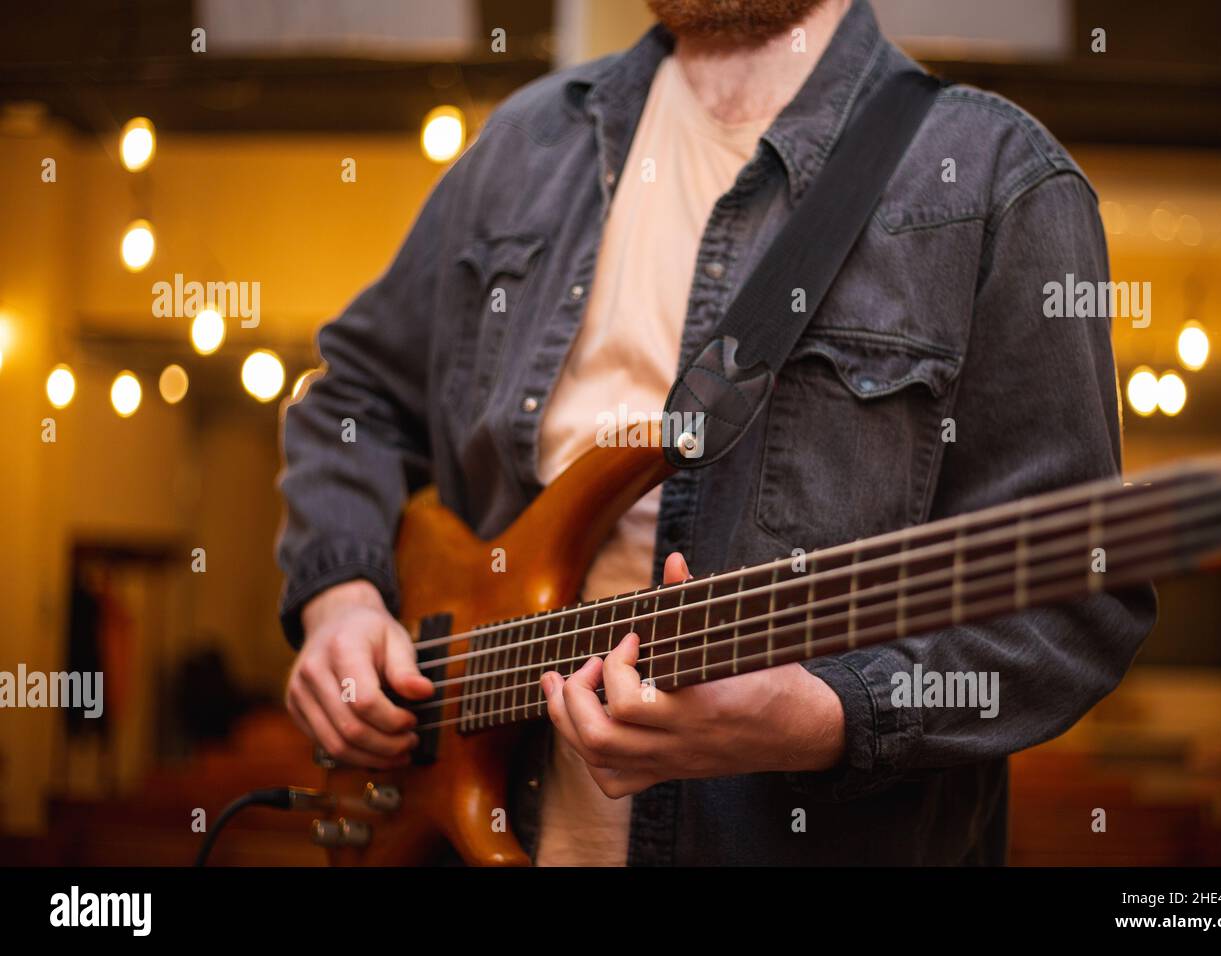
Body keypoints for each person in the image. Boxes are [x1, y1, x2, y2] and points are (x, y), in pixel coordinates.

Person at [276, 0, 1156, 865]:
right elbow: (352, 398)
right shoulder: (526, 144)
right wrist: (340, 601)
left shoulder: (999, 180)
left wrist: (819, 717)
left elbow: (1075, 605)